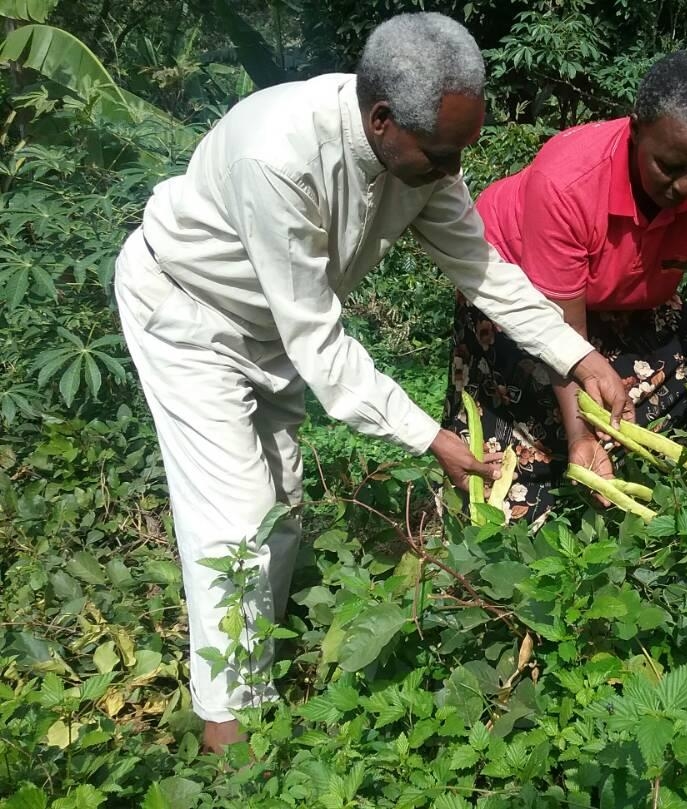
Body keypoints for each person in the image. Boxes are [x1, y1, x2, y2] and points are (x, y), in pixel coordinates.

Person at [112, 13, 632, 755]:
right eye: (443, 153)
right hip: (190, 311)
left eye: (463, 153)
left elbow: (484, 272)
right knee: (232, 519)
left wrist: (579, 356)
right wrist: (433, 437)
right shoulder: (280, 155)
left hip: (269, 327)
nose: (455, 171)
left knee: (281, 505)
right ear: (382, 120)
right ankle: (228, 733)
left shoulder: (424, 162)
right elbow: (321, 345)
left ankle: (262, 657)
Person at [442, 50, 687, 527]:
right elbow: (557, 329)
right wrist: (580, 432)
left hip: (621, 297)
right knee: (528, 466)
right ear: (635, 131)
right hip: (521, 295)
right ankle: (547, 449)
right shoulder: (568, 180)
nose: (686, 186)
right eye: (668, 166)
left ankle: (613, 448)